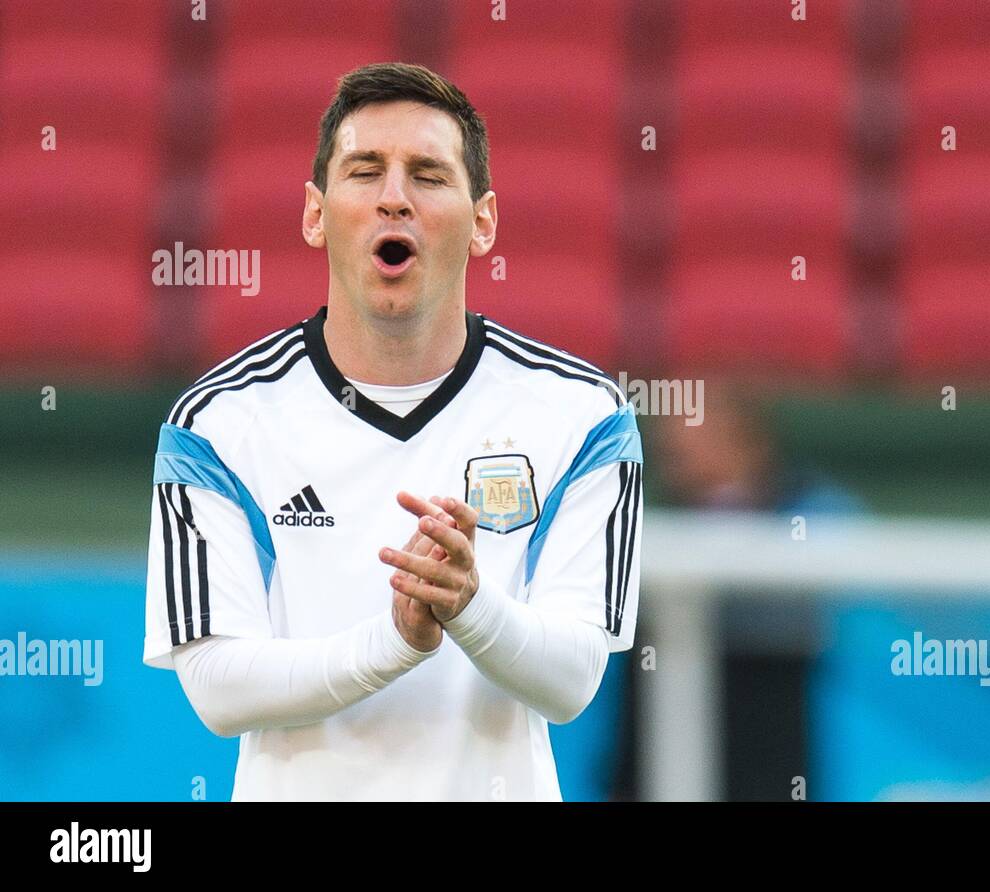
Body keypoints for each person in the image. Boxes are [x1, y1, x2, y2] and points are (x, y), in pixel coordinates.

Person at [142, 63, 643, 801]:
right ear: (315, 214)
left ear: (485, 223)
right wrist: (397, 640)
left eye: (429, 175)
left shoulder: (583, 415)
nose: (394, 198)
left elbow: (572, 681)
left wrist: (470, 604)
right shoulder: (218, 424)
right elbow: (219, 688)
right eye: (365, 171)